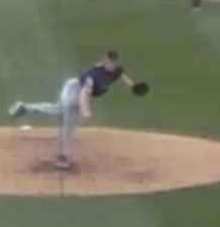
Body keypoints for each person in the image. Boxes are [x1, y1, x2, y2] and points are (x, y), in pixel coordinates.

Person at [8, 50, 143, 171]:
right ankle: (62, 155)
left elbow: (121, 75)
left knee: (62, 114)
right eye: (110, 62)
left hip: (81, 93)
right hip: (74, 90)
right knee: (67, 117)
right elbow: (83, 93)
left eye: (115, 63)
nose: (113, 65)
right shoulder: (94, 75)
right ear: (104, 61)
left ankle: (25, 109)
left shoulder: (116, 70)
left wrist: (132, 86)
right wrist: (85, 110)